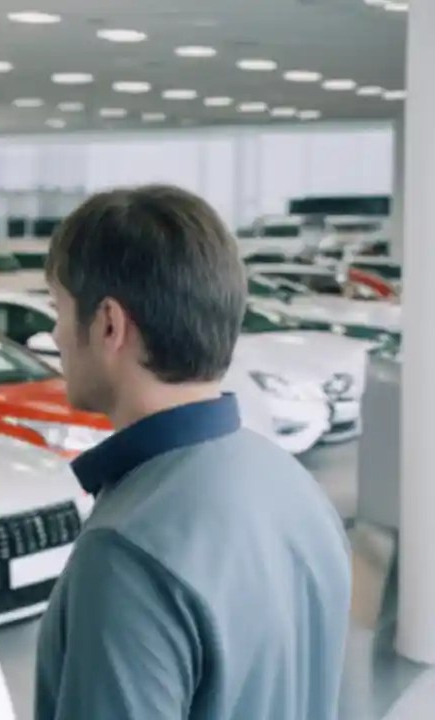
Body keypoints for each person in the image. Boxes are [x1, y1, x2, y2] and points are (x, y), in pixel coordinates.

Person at [34, 185, 351, 719]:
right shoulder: (293, 485)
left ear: (109, 324)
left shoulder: (129, 552)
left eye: (59, 309)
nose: (55, 334)